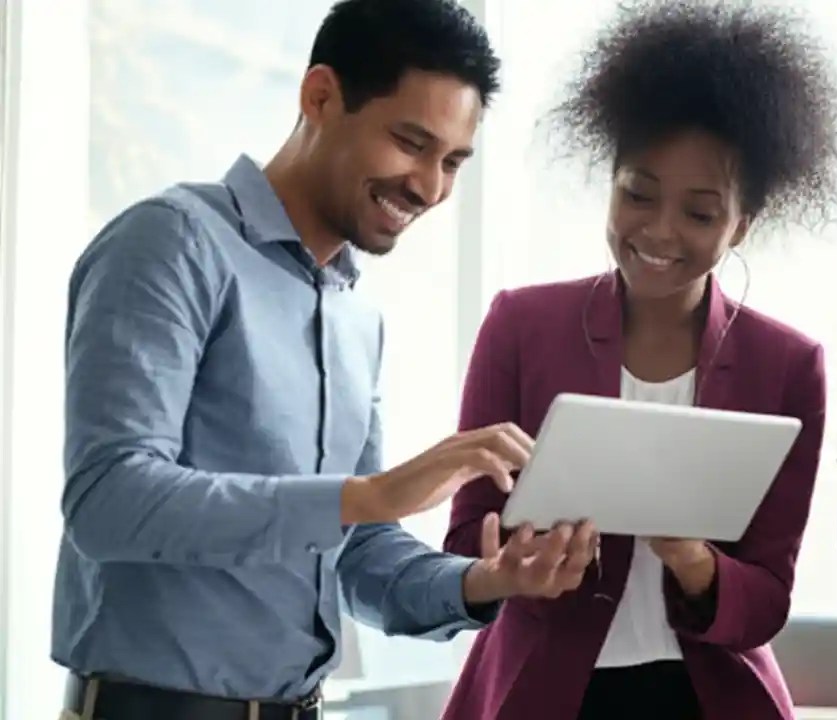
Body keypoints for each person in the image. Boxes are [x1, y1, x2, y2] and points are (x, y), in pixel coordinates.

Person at [53, 2, 596, 719]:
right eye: (411, 141)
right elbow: (108, 502)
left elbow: (359, 553)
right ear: (320, 97)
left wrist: (485, 581)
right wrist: (367, 496)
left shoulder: (354, 318)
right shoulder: (172, 243)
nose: (430, 186)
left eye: (453, 161)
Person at [438, 2, 837, 719]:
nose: (660, 231)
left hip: (704, 699)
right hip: (543, 691)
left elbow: (768, 599)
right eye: (638, 194)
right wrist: (514, 569)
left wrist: (694, 562)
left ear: (741, 224)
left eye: (699, 213)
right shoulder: (521, 325)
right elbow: (463, 540)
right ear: (611, 183)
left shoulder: (787, 365)